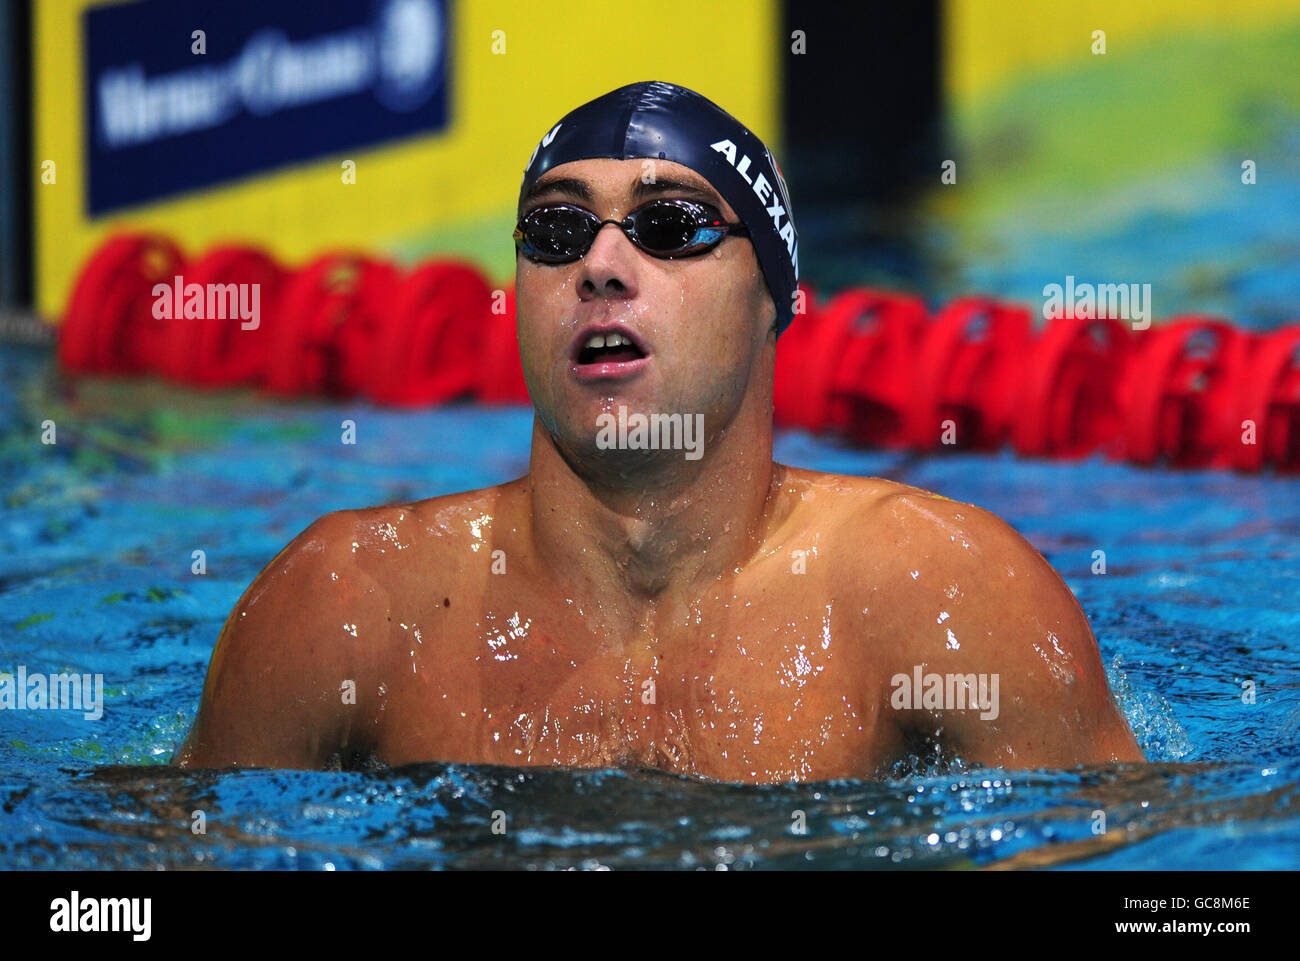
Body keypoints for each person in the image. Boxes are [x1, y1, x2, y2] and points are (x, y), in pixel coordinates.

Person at [173, 81, 1144, 781]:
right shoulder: (347, 607)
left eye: (669, 227)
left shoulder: (943, 594)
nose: (599, 264)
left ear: (775, 296)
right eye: (555, 233)